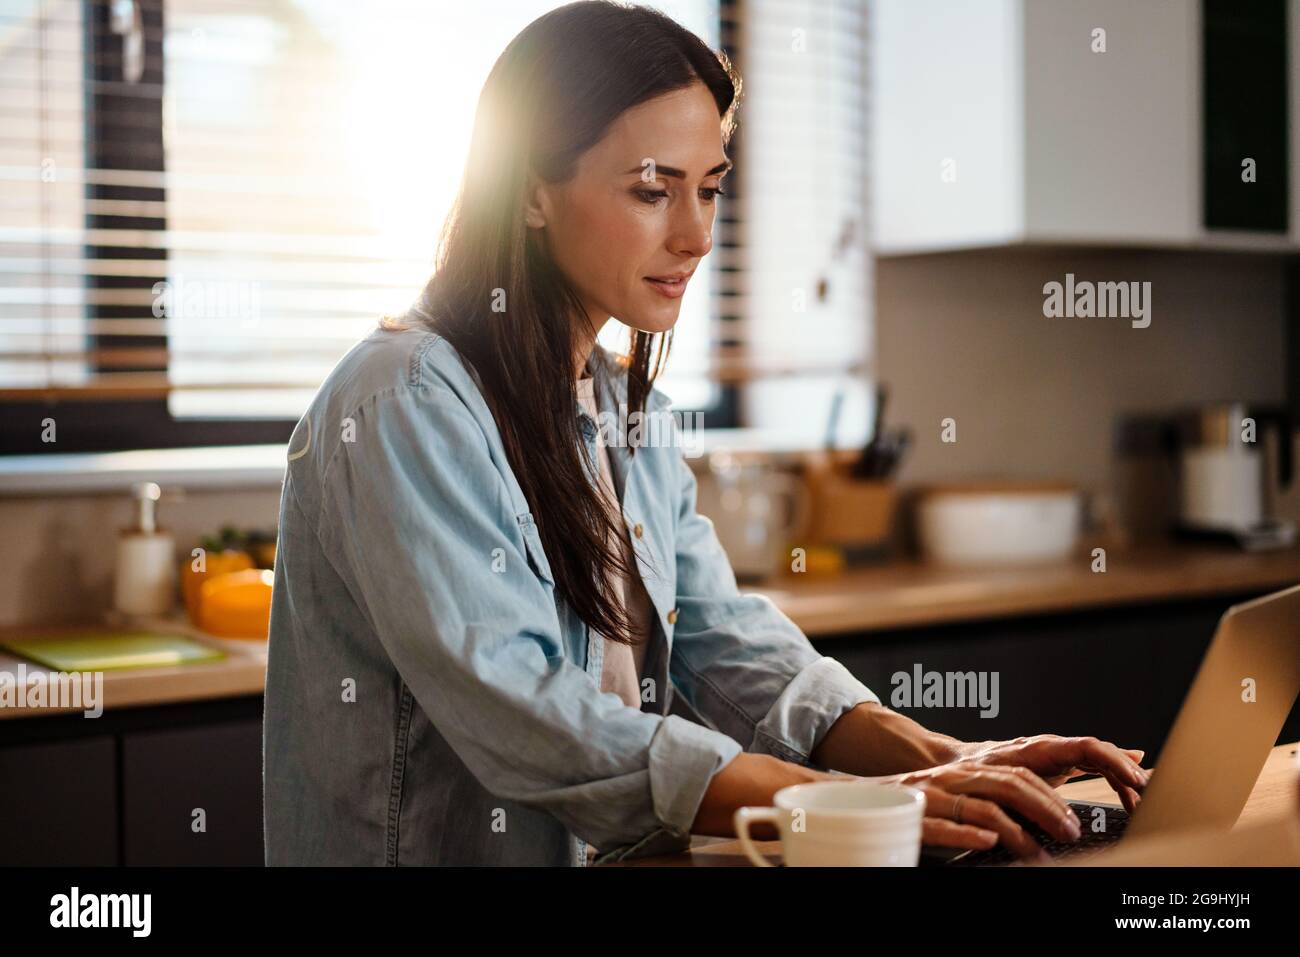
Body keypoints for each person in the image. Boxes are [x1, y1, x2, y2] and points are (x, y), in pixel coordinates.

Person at [262, 0, 1148, 867]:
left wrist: (943, 757)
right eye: (652, 189)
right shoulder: (402, 401)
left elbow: (728, 639)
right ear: (531, 192)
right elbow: (528, 714)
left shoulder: (622, 407)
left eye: (710, 189)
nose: (695, 235)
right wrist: (853, 800)